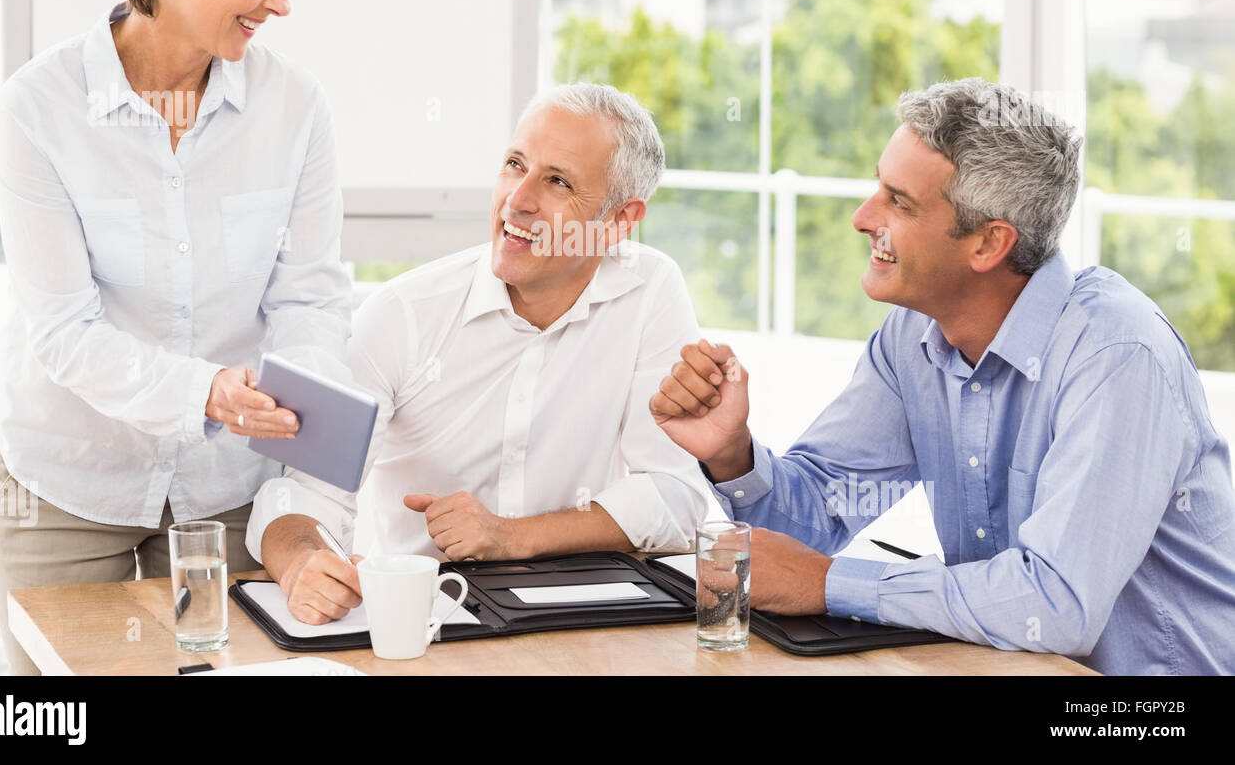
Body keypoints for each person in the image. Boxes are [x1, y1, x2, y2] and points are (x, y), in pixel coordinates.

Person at [650, 77, 1235, 675]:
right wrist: (732, 456)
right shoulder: (914, 336)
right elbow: (813, 527)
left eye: (899, 202)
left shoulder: (1116, 354)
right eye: (878, 185)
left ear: (988, 243)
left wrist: (833, 584)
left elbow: (1058, 604)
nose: (861, 218)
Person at [0, 0, 351, 673]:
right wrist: (209, 391)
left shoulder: (295, 108)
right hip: (64, 476)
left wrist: (296, 407)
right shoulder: (38, 109)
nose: (281, 1)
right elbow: (64, 329)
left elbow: (312, 296)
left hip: (226, 485)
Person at [247, 83, 719, 624]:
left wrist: (512, 537)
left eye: (558, 182)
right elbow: (301, 490)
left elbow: (676, 498)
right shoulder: (398, 312)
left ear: (617, 222)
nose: (517, 200)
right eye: (515, 164)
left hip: (584, 618)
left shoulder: (651, 289)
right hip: (430, 623)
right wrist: (302, 562)